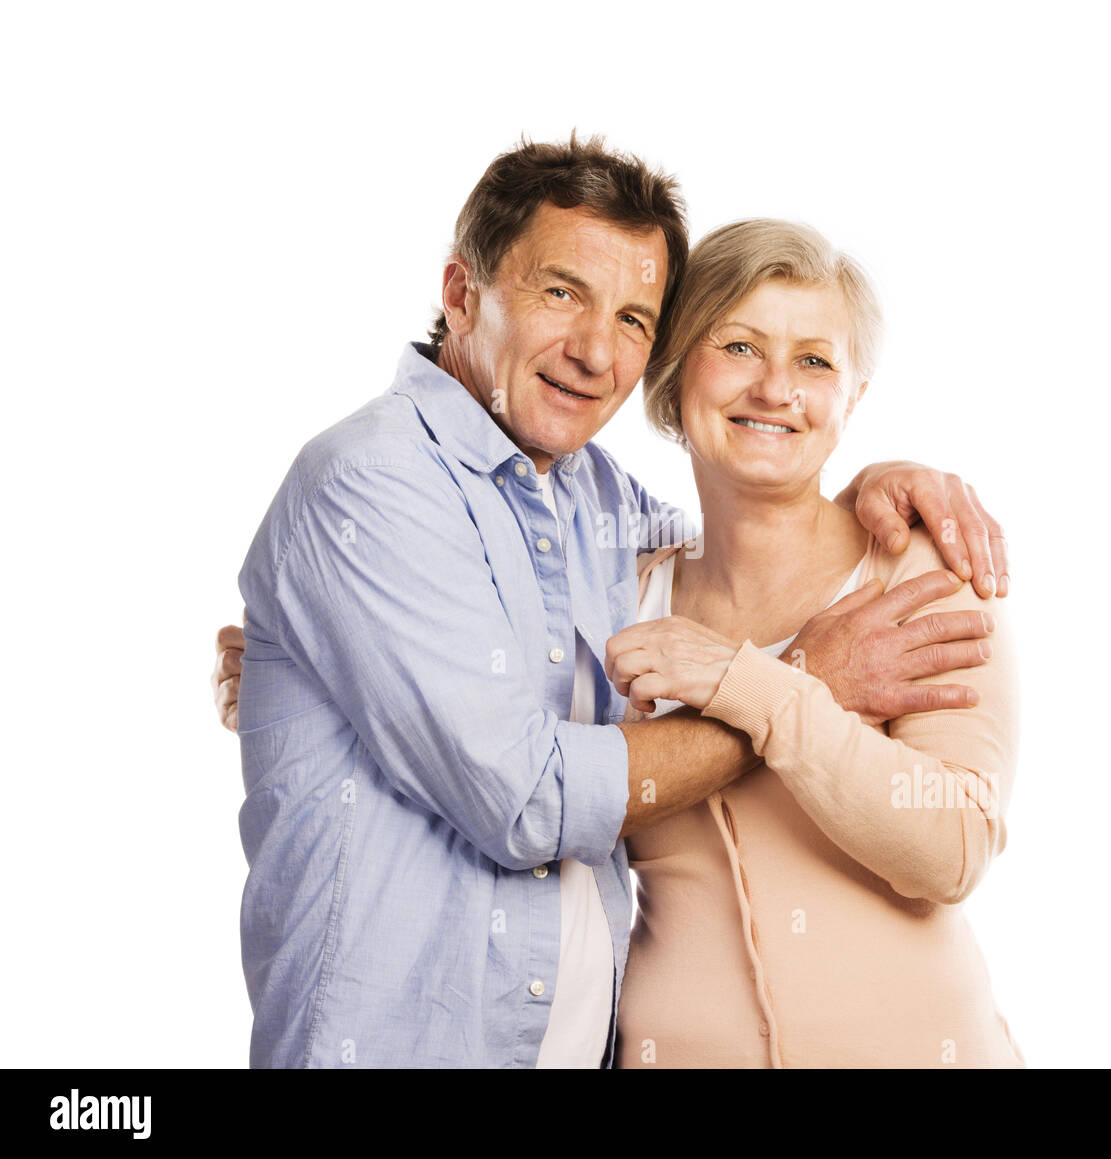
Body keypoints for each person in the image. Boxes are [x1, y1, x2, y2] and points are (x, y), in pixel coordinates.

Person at [213, 134, 1009, 1068]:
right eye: (561, 292)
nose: (595, 350)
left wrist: (876, 484)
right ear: (462, 295)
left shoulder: (603, 511)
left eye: (634, 317)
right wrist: (800, 684)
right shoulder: (373, 482)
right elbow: (531, 799)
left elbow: (758, 515)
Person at [605, 219, 1022, 1067]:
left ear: (852, 399)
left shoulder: (925, 570)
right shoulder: (616, 593)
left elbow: (952, 848)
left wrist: (751, 684)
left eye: (815, 361)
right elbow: (515, 775)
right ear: (678, 368)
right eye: (740, 346)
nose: (775, 388)